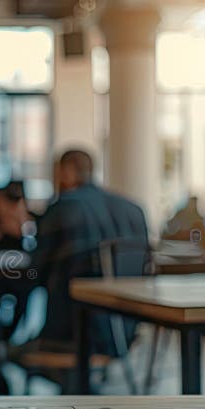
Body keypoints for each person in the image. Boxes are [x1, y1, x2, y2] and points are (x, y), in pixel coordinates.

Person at [9, 150, 148, 387]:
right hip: (124, 336)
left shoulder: (63, 208)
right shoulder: (133, 209)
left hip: (69, 338)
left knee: (7, 352)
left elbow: (34, 274)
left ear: (68, 171)